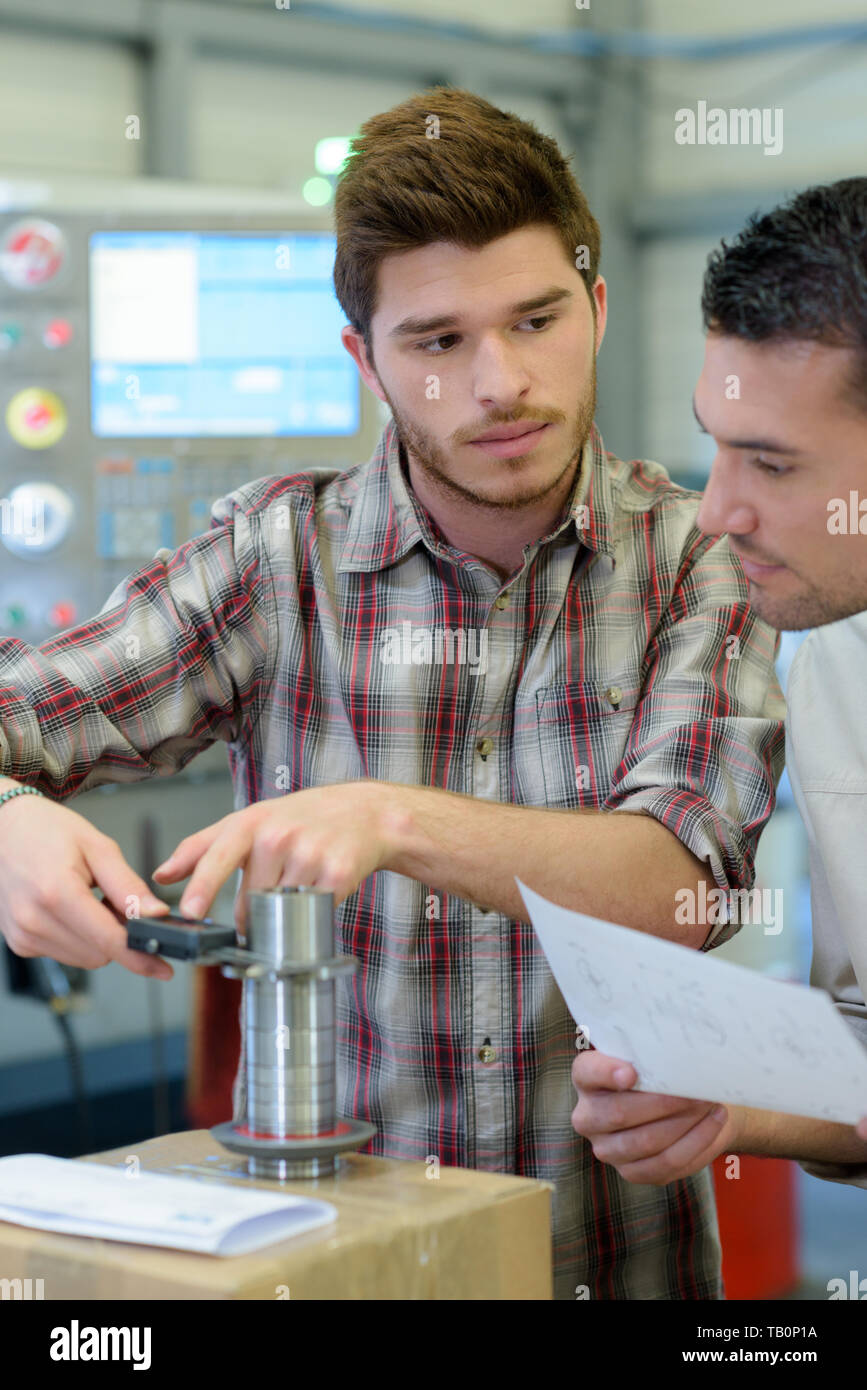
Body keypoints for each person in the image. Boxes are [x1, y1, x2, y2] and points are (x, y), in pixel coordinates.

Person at [0, 87, 785, 1300]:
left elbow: (682, 885)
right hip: (329, 1274)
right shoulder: (275, 562)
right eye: (437, 342)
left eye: (537, 319)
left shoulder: (698, 557)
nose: (501, 383)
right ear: (366, 360)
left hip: (612, 1269)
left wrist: (393, 820)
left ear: (599, 306)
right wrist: (11, 822)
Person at [571, 177, 867, 1194]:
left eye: (772, 465)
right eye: (717, 444)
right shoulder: (836, 653)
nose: (716, 511)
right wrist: (737, 1108)